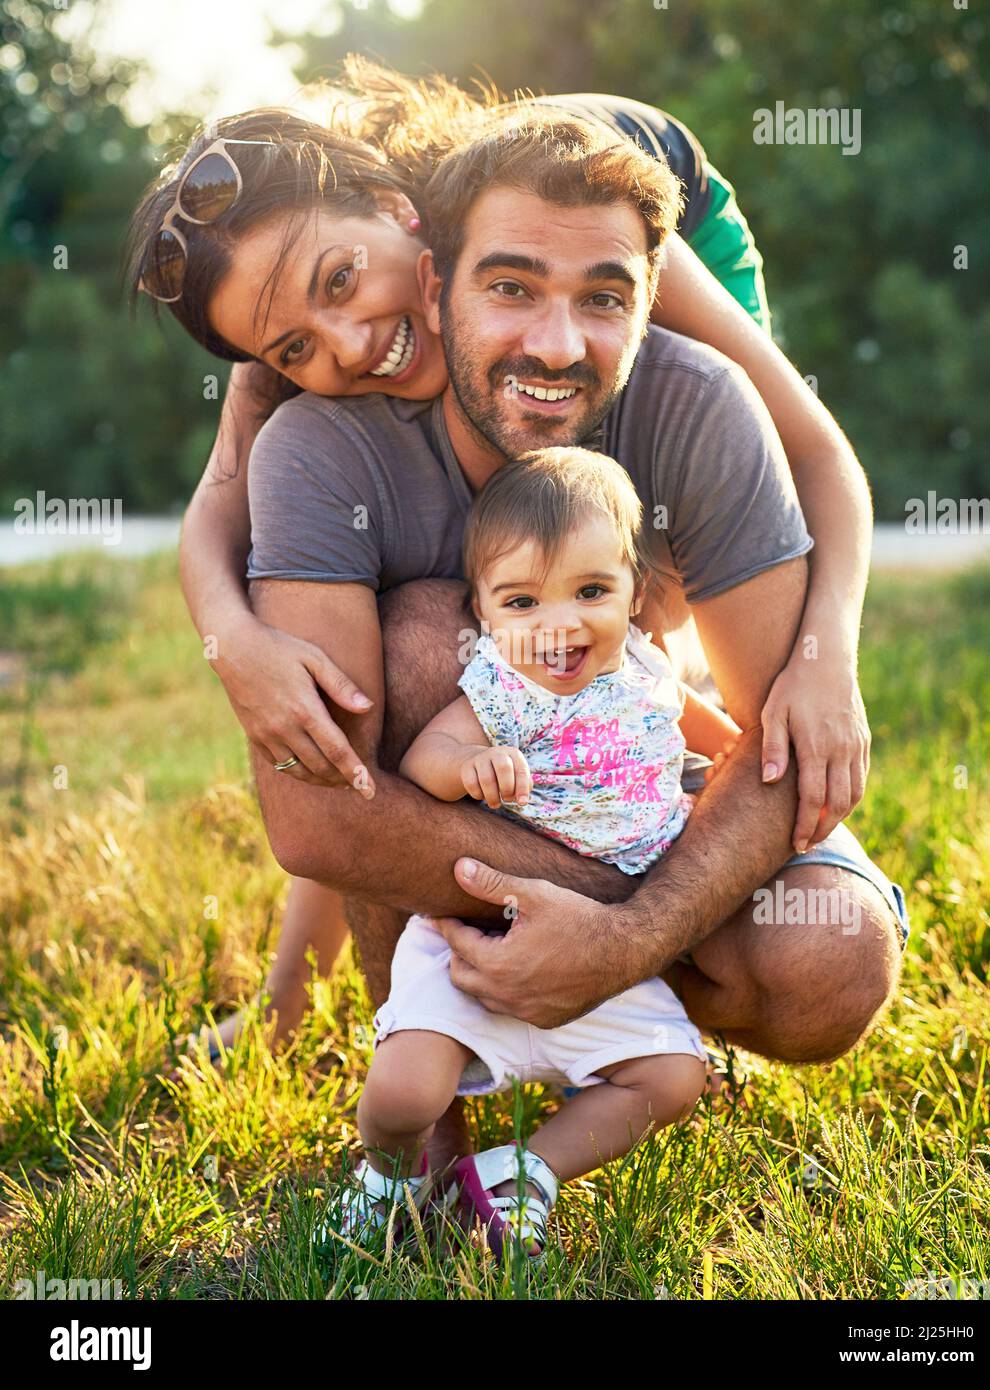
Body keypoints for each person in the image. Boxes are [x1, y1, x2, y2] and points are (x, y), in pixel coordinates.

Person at [130, 103, 909, 1179]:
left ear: (409, 223)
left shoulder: (593, 245)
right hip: (437, 368)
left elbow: (819, 455)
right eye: (295, 344)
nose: (350, 342)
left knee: (627, 606)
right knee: (400, 651)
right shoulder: (296, 366)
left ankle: (609, 941)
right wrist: (232, 633)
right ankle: (366, 1042)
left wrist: (825, 651)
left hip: (656, 189)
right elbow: (222, 509)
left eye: (345, 281)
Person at [325, 449, 737, 1258]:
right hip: (478, 941)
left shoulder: (650, 673)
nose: (559, 624)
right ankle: (385, 1181)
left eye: (591, 592)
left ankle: (519, 1175)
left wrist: (729, 764)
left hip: (603, 953)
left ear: (635, 594)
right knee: (406, 1089)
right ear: (482, 614)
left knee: (670, 1080)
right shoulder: (501, 691)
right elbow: (422, 763)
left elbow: (710, 734)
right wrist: (466, 766)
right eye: (522, 601)